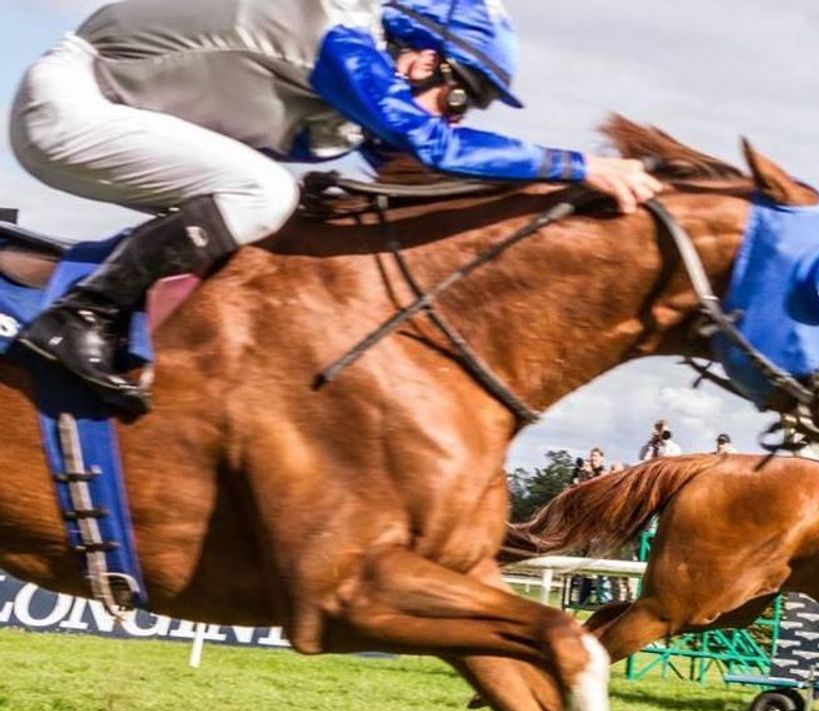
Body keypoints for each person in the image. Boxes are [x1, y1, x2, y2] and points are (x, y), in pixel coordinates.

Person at [7, 0, 663, 415]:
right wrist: (581, 165)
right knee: (265, 193)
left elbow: (425, 173)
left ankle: (74, 300)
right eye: (461, 97)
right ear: (425, 59)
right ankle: (83, 315)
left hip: (101, 107)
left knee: (280, 212)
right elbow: (432, 145)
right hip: (71, 104)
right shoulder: (339, 39)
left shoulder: (366, 82)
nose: (456, 117)